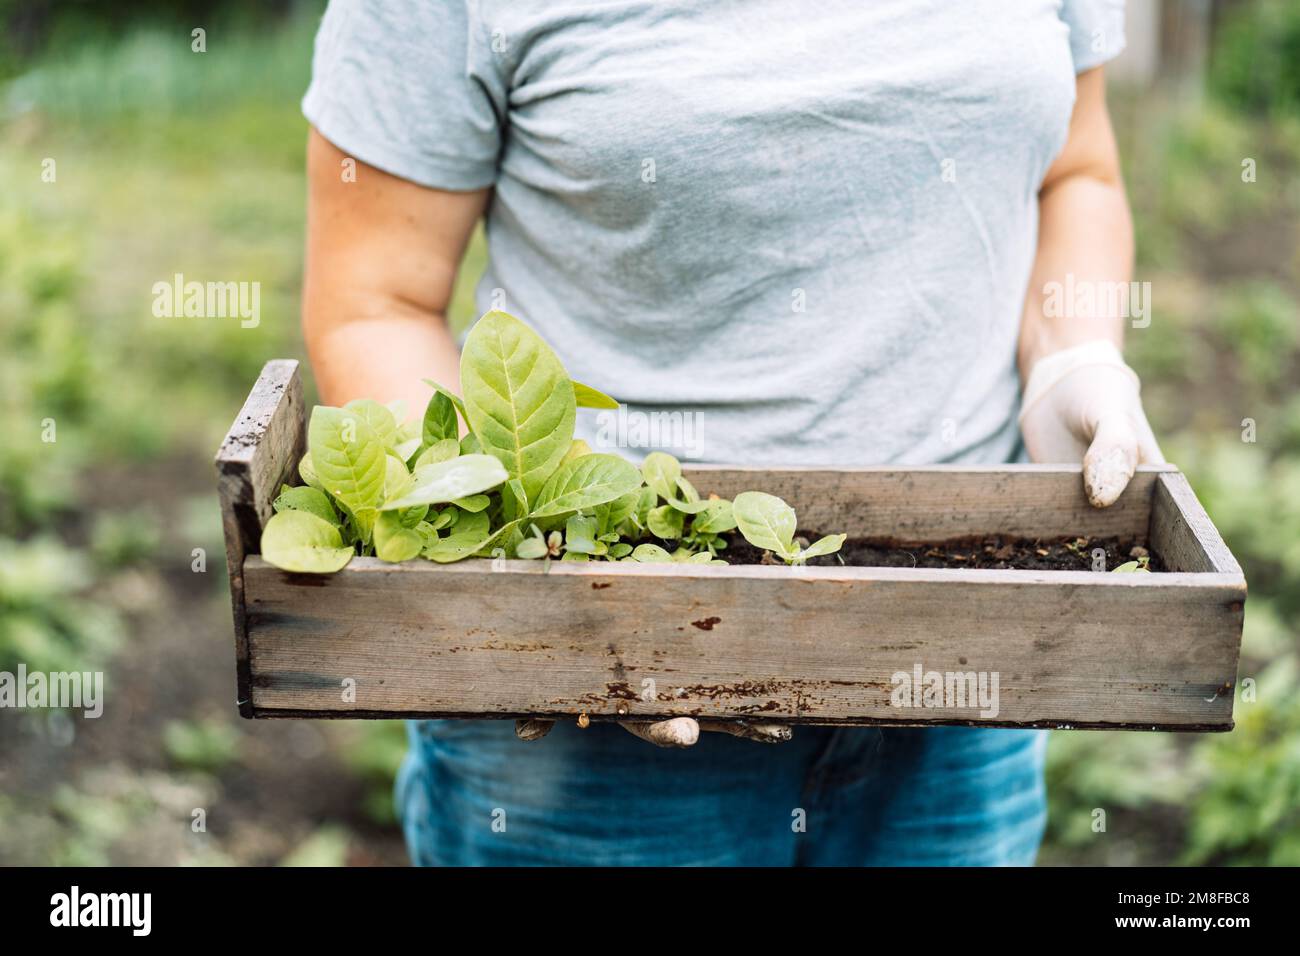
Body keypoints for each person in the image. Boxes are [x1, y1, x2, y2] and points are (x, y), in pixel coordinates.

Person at [300, 0, 1161, 865]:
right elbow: (375, 304)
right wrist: (562, 580)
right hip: (580, 719)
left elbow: (1076, 170)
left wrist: (1072, 351)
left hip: (967, 667)